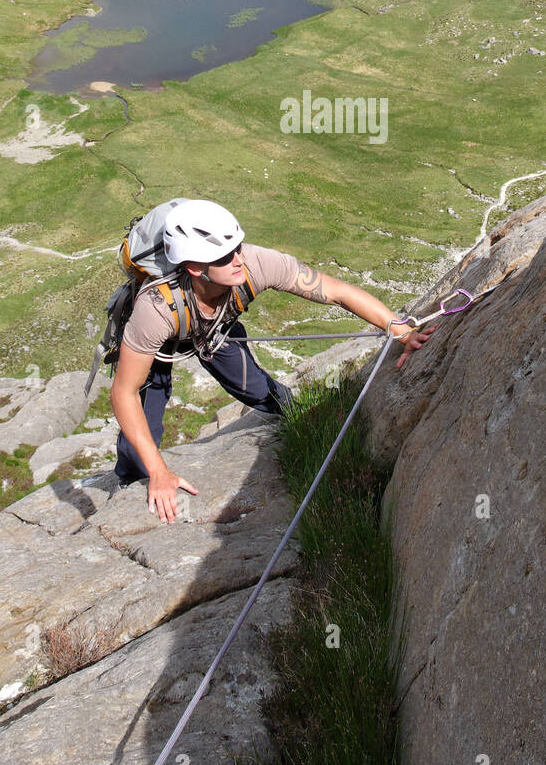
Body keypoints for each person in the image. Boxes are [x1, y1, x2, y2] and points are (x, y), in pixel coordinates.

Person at [110, 198, 434, 523]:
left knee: (255, 388)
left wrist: (401, 330)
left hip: (215, 329)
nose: (239, 260)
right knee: (141, 442)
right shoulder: (155, 308)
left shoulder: (256, 262)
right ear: (195, 268)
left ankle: (296, 417)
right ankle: (128, 482)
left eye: (238, 247)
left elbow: (336, 292)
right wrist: (158, 471)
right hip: (161, 341)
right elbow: (124, 392)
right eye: (225, 256)